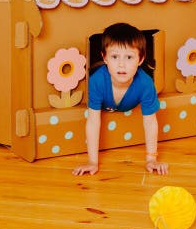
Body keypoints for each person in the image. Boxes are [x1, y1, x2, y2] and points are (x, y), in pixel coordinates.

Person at [72, 23, 169, 176]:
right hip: (102, 74)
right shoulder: (97, 81)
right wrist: (92, 161)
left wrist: (151, 158)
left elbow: (150, 121)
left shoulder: (145, 84)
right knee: (103, 72)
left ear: (141, 59)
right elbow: (93, 120)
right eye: (114, 56)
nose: (121, 64)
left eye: (129, 57)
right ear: (104, 57)